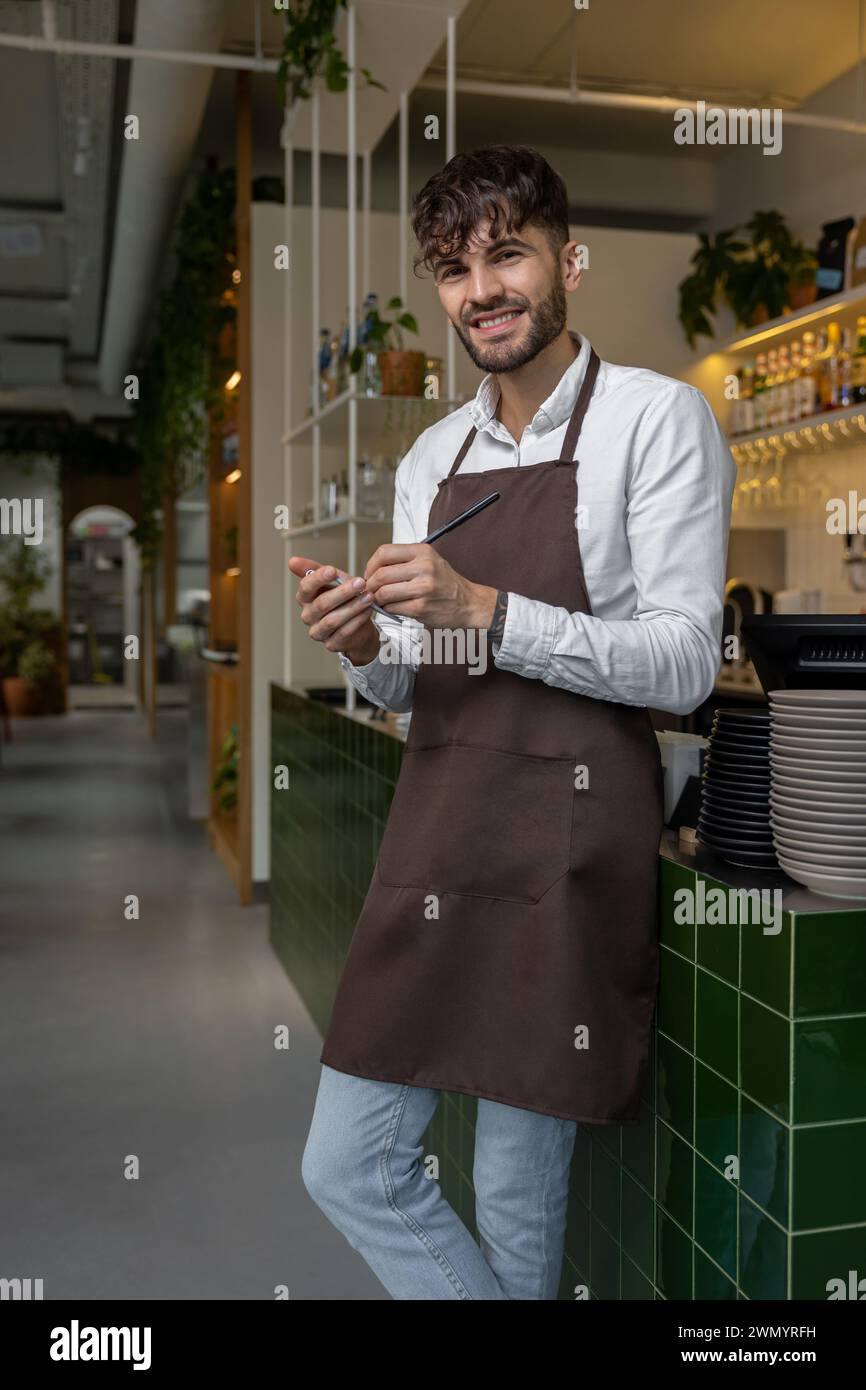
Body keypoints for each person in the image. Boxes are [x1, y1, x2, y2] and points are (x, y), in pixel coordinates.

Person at [289, 145, 735, 1300]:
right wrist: (364, 642)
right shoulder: (435, 454)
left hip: (566, 851)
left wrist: (484, 607)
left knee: (515, 1203)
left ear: (564, 260)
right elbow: (416, 677)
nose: (478, 289)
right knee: (347, 1163)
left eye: (505, 254)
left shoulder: (657, 420)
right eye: (451, 268)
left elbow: (685, 664)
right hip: (437, 835)